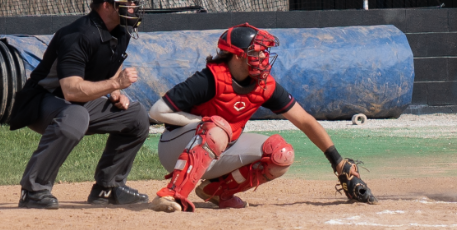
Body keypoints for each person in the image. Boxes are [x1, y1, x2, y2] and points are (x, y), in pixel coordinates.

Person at [149, 23, 376, 212]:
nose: (263, 57)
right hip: (176, 149)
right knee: (218, 128)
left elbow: (304, 120)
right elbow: (157, 112)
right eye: (256, 52)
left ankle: (217, 191)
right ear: (237, 55)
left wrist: (337, 161)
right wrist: (203, 123)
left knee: (280, 154)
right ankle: (171, 194)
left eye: (264, 51)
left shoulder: (264, 85)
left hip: (220, 146)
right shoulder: (209, 79)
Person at [9, 0, 151, 209]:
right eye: (128, 1)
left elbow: (113, 61)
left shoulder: (120, 32)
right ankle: (33, 191)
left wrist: (115, 91)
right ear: (107, 5)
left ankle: (107, 188)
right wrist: (114, 84)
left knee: (136, 116)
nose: (134, 7)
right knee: (75, 116)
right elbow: (71, 91)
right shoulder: (78, 35)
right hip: (41, 102)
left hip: (74, 106)